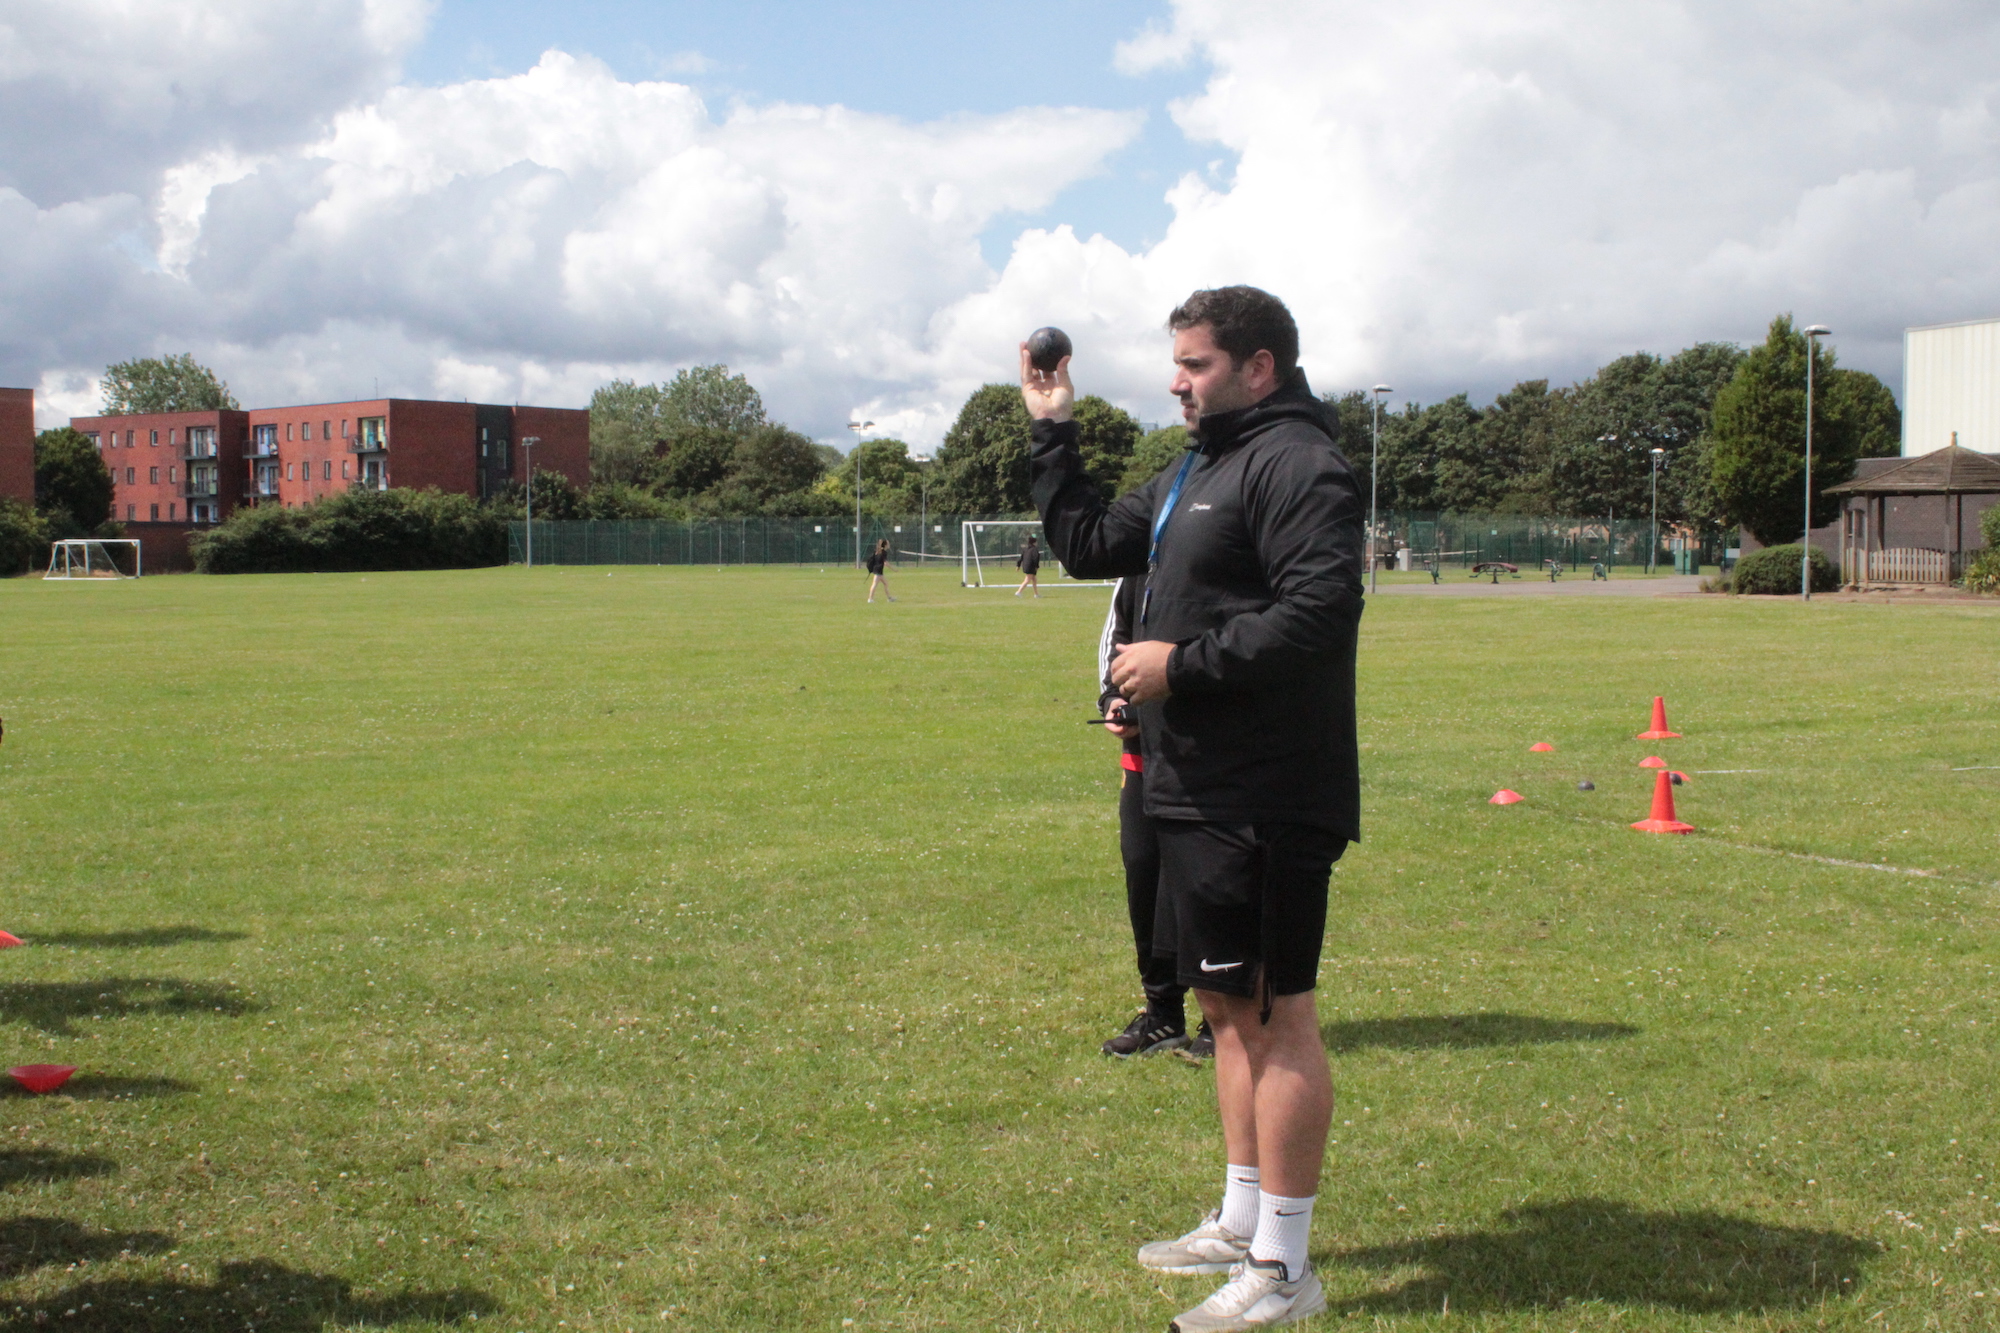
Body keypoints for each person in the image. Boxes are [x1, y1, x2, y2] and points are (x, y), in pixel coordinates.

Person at [1023, 286, 1363, 1331]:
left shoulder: (1300, 462)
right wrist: (1052, 429)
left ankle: (1283, 1268)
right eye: (1174, 363)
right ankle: (1240, 1215)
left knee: (1274, 1015)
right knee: (1223, 1012)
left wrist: (1183, 664)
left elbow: (1316, 613)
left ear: (1257, 366)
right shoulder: (1196, 465)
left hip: (1261, 790)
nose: (1176, 381)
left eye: (1196, 364)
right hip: (1187, 783)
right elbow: (1085, 543)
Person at [1097, 575, 1213, 1061]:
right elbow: (1114, 644)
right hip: (1144, 761)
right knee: (1144, 877)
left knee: (1207, 887)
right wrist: (1113, 700)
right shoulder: (1137, 563)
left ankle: (1221, 1017)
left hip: (1212, 761)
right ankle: (1163, 1013)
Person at [864, 538, 895, 602]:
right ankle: (870, 599)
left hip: (878, 570)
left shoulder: (877, 551)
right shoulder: (883, 552)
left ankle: (889, 598)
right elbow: (886, 563)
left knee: (885, 584)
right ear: (885, 545)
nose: (889, 545)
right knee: (874, 584)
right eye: (888, 544)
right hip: (878, 571)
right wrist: (894, 569)